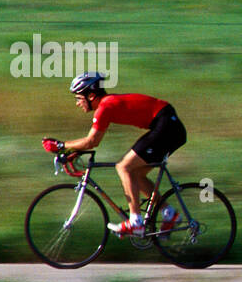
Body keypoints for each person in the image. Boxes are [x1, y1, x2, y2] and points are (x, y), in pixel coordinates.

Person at [42, 72, 187, 238]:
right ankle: (169, 214)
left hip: (166, 125)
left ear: (90, 95)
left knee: (124, 167)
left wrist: (61, 146)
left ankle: (135, 223)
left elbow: (92, 141)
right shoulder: (106, 105)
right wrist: (73, 151)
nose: (77, 103)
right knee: (137, 174)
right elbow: (92, 141)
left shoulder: (105, 106)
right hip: (165, 123)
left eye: (78, 98)